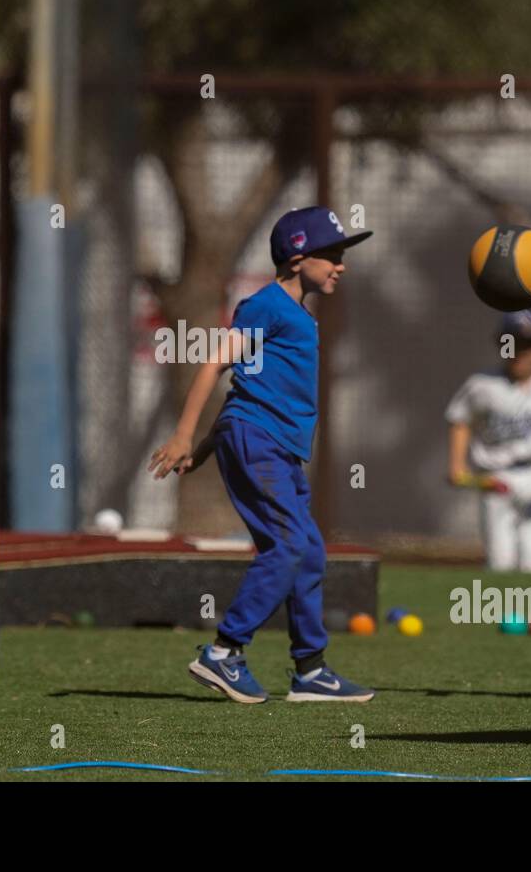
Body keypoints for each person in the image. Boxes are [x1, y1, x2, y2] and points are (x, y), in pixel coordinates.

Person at [150, 207, 375, 704]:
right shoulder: (266, 306)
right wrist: (185, 435)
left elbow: (247, 386)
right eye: (331, 255)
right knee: (289, 545)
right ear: (297, 257)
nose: (341, 265)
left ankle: (310, 670)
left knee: (308, 550)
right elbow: (215, 363)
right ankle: (224, 652)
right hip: (260, 442)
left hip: (270, 445)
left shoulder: (294, 314)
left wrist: (207, 446)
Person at [445, 309, 531, 573]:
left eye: (528, 346)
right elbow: (460, 420)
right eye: (512, 343)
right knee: (500, 559)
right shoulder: (482, 385)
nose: (519, 352)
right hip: (495, 477)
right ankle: (503, 613)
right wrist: (457, 464)